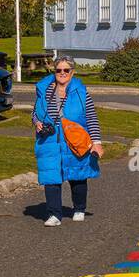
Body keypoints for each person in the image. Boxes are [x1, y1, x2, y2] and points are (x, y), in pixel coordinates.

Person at [32, 56, 103, 226]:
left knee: (78, 176)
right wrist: (37, 122)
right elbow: (34, 112)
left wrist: (96, 141)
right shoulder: (45, 90)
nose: (62, 73)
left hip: (75, 139)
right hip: (49, 140)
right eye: (58, 70)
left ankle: (79, 208)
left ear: (72, 72)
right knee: (51, 177)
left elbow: (91, 117)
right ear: (54, 71)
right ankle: (54, 215)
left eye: (66, 70)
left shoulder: (81, 91)